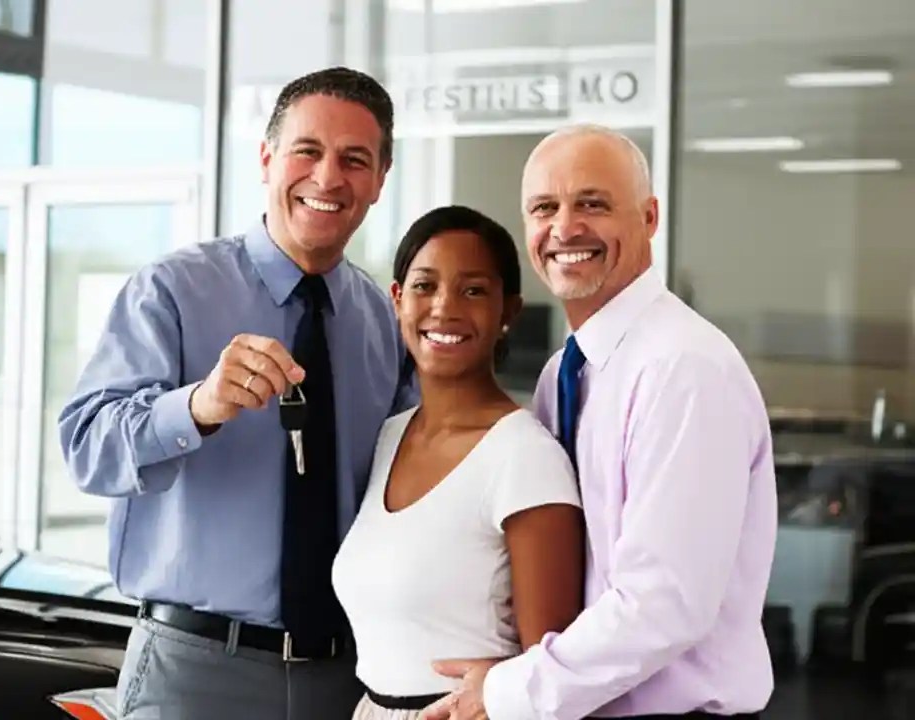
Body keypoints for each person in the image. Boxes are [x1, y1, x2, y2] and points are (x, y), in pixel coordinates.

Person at [57, 66, 417, 720]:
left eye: (355, 160)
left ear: (379, 181)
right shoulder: (171, 290)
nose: (328, 177)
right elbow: (85, 446)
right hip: (195, 674)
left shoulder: (385, 324)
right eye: (307, 150)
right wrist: (195, 407)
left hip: (345, 677)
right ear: (266, 158)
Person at [420, 124, 778, 720]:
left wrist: (511, 690)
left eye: (592, 203)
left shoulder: (681, 370)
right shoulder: (565, 372)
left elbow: (663, 604)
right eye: (544, 208)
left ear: (649, 218)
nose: (564, 229)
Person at [332, 205, 586, 720]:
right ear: (398, 299)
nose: (444, 308)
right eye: (425, 286)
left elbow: (551, 674)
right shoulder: (390, 436)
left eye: (473, 290)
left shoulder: (524, 456)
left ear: (508, 310)